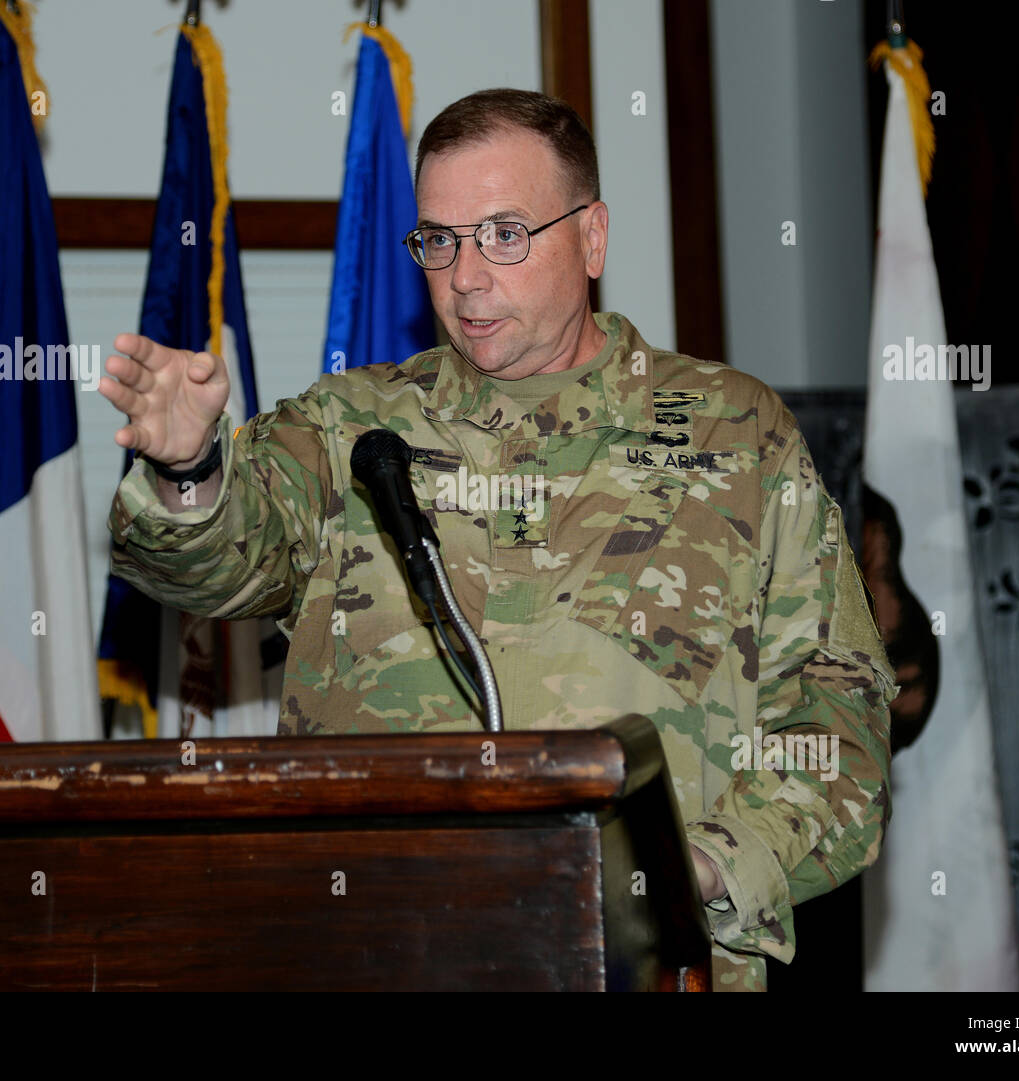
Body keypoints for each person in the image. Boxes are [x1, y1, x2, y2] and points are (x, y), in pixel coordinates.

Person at [100, 88, 896, 992]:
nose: (466, 276)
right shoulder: (351, 427)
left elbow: (840, 717)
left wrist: (696, 871)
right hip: (378, 959)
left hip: (642, 965)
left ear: (591, 237)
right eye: (439, 239)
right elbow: (225, 559)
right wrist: (191, 463)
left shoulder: (735, 432)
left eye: (505, 233)